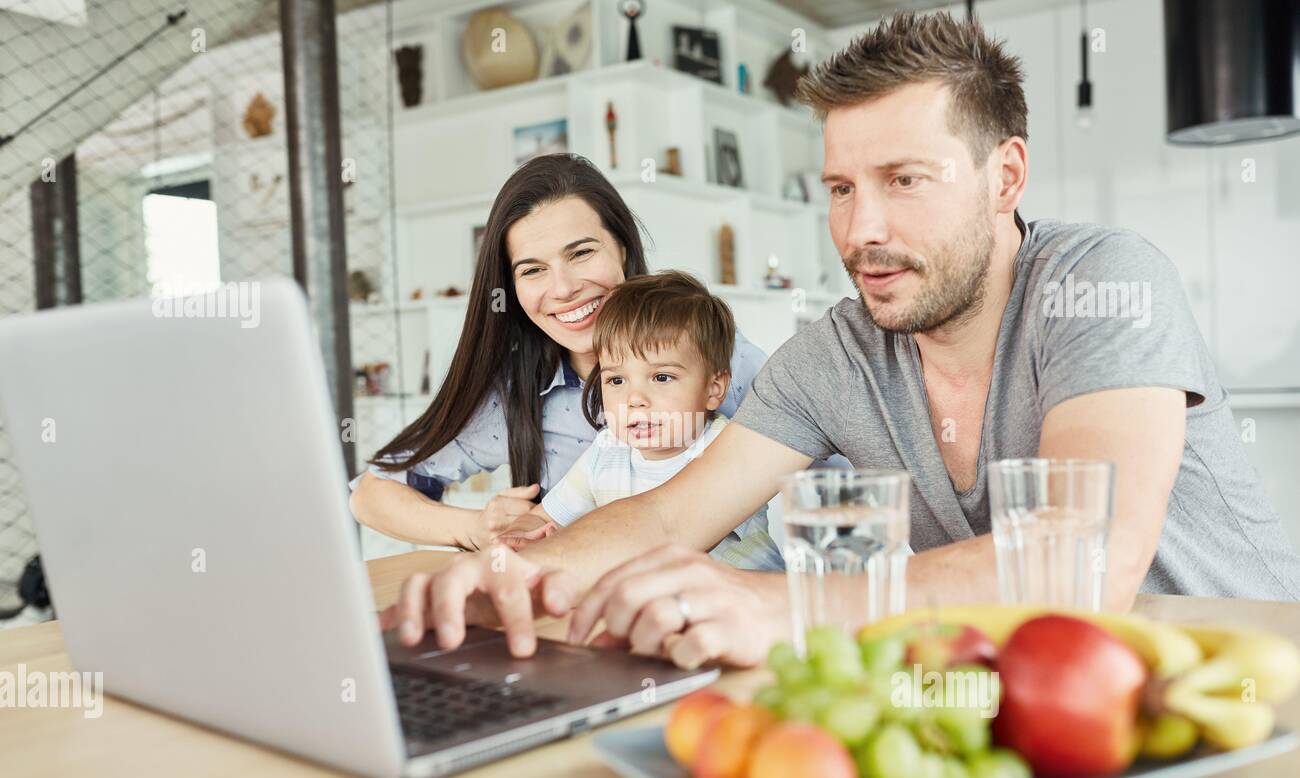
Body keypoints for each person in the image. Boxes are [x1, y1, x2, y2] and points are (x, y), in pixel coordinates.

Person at [380, 11, 1300, 669]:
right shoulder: (838, 352)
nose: (862, 229)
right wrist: (508, 578)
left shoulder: (1103, 282)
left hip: (1242, 690)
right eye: (841, 188)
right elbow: (668, 515)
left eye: (904, 180)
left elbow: (1082, 563)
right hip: (1032, 697)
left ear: (1004, 174)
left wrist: (778, 607)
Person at [348, 153, 766, 550]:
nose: (563, 289)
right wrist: (475, 527)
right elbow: (372, 494)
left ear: (622, 246)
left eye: (581, 252)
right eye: (533, 270)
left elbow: (825, 473)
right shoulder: (517, 391)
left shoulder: (716, 355)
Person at [495, 270, 783, 572]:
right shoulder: (606, 451)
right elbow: (544, 517)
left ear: (713, 388)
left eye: (661, 377)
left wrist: (574, 547)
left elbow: (674, 540)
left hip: (748, 608)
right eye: (617, 380)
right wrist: (520, 536)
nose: (635, 399)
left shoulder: (731, 446)